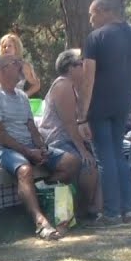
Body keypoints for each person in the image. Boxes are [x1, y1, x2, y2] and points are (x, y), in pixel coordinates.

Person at [0, 54, 82, 242]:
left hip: (28, 147)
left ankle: (43, 194)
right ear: (2, 71)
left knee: (72, 162)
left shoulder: (21, 96)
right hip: (2, 150)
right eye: (15, 63)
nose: (20, 66)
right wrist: (28, 152)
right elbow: (0, 136)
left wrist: (42, 148)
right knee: (25, 170)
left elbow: (32, 128)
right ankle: (40, 221)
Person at [79, 0, 131, 226]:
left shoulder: (95, 38)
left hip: (99, 104)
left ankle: (112, 212)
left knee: (105, 158)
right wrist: (129, 92)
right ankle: (128, 210)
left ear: (104, 11)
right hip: (123, 104)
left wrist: (82, 117)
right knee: (119, 154)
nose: (91, 20)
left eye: (92, 14)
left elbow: (88, 79)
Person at [39, 48, 101, 222]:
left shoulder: (74, 86)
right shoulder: (63, 85)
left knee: (97, 162)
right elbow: (69, 124)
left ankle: (92, 209)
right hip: (58, 140)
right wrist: (83, 150)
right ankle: (81, 211)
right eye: (80, 64)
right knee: (88, 164)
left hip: (69, 139)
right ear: (69, 68)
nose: (83, 67)